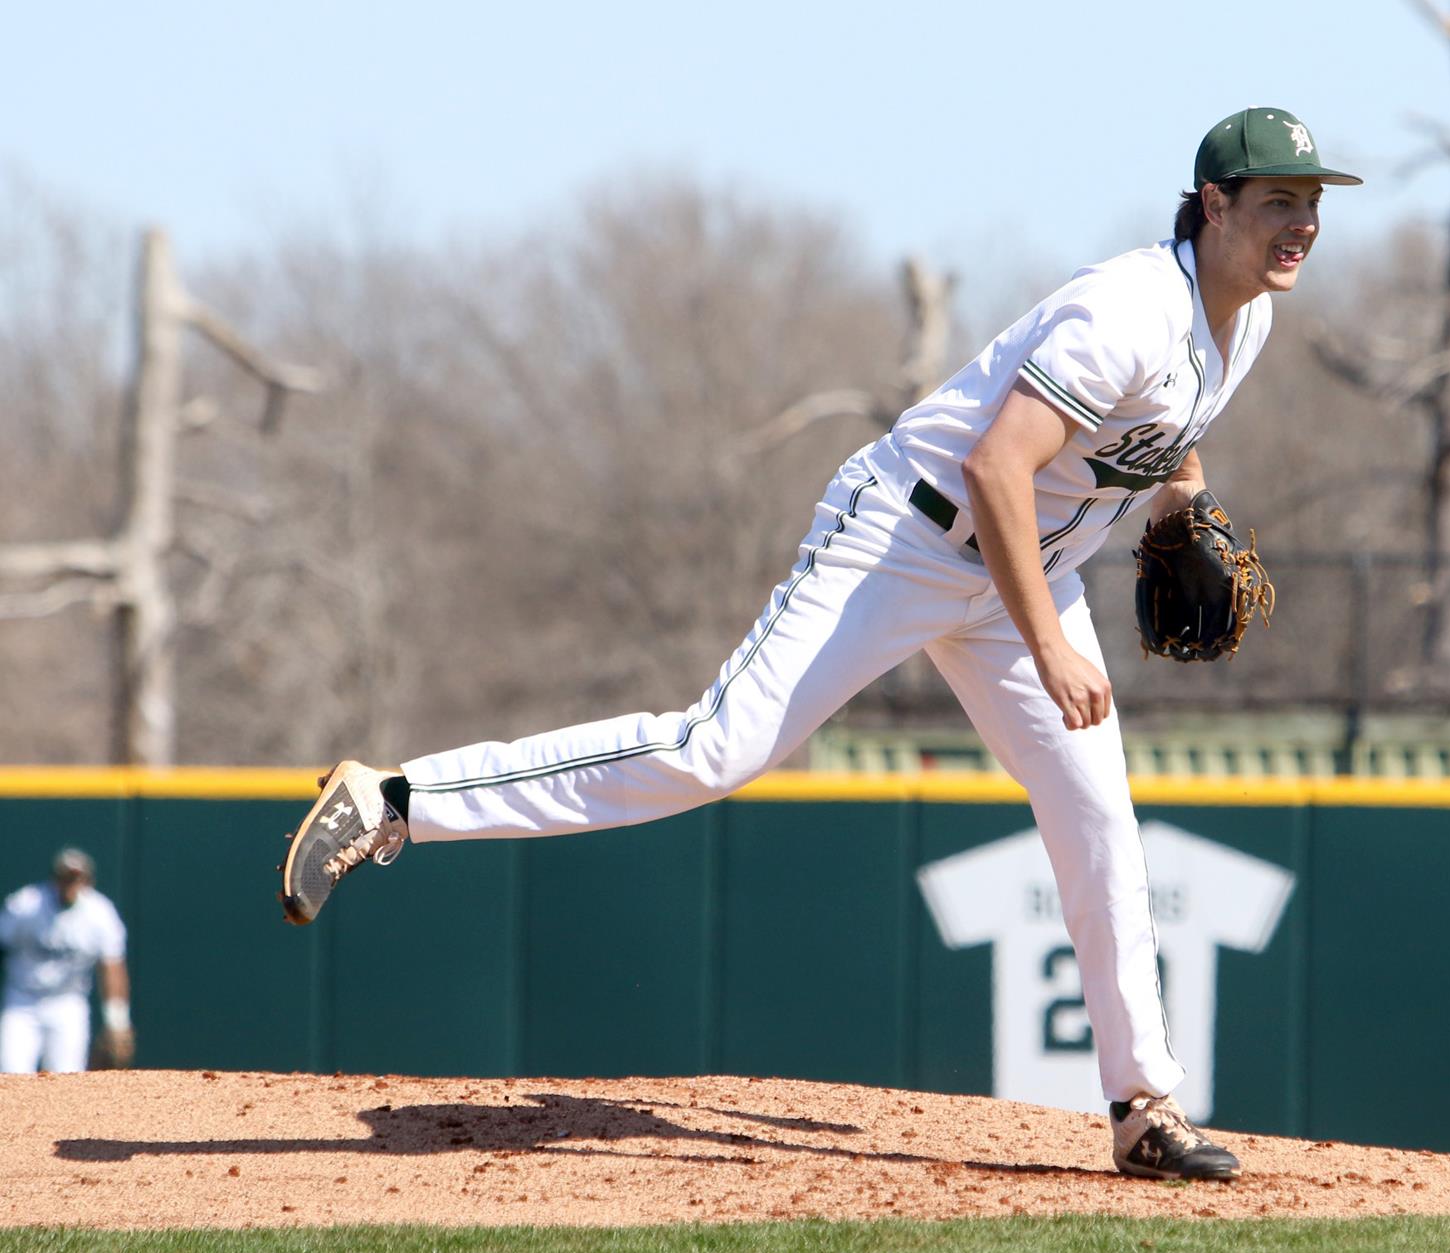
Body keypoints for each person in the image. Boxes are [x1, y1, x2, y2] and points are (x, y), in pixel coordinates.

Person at [279, 107, 1358, 1181]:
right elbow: (995, 467)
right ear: (1211, 204)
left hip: (1028, 570)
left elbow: (1171, 437)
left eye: (1309, 203)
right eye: (1276, 201)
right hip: (905, 535)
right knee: (711, 750)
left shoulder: (1243, 315)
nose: (1299, 223)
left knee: (1097, 823)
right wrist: (1048, 645)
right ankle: (392, 799)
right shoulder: (1124, 308)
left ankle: (1142, 1106)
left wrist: (1183, 510)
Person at [1, 848, 134, 1073]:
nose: (70, 885)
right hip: (23, 1000)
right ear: (55, 879)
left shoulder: (100, 913)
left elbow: (112, 966)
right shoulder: (26, 904)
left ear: (88, 881)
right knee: (11, 1073)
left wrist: (117, 1021)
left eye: (76, 878)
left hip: (68, 1003)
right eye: (65, 878)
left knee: (67, 1077)